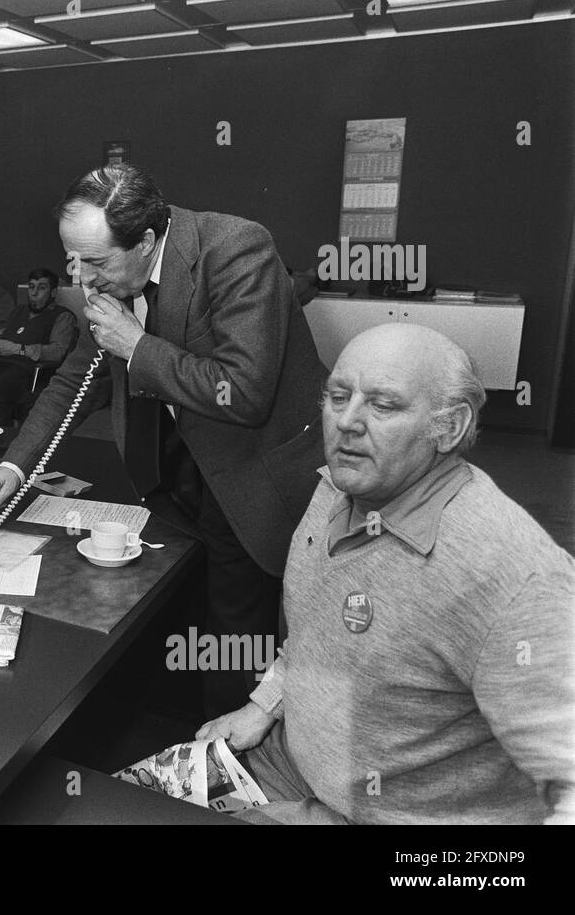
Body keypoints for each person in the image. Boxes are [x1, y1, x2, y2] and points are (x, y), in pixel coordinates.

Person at [0, 165, 327, 717]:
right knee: (175, 601)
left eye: (95, 262)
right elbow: (74, 379)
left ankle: (224, 762)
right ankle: (170, 726)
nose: (83, 278)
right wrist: (16, 465)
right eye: (73, 260)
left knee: (234, 634)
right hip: (167, 471)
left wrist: (136, 345)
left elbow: (243, 390)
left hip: (245, 472)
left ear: (146, 241)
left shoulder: (237, 249)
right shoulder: (120, 275)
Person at [194, 325, 575, 824]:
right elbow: (316, 631)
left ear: (450, 427)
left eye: (383, 405)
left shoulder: (510, 575)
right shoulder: (337, 486)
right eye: (337, 396)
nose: (346, 422)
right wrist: (264, 706)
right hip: (287, 762)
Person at [0, 268, 79, 427]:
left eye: (41, 288)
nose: (34, 293)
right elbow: (2, 334)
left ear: (53, 292)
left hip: (26, 368)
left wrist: (18, 349)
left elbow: (57, 351)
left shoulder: (62, 316)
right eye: (31, 287)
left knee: (1, 385)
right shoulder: (18, 311)